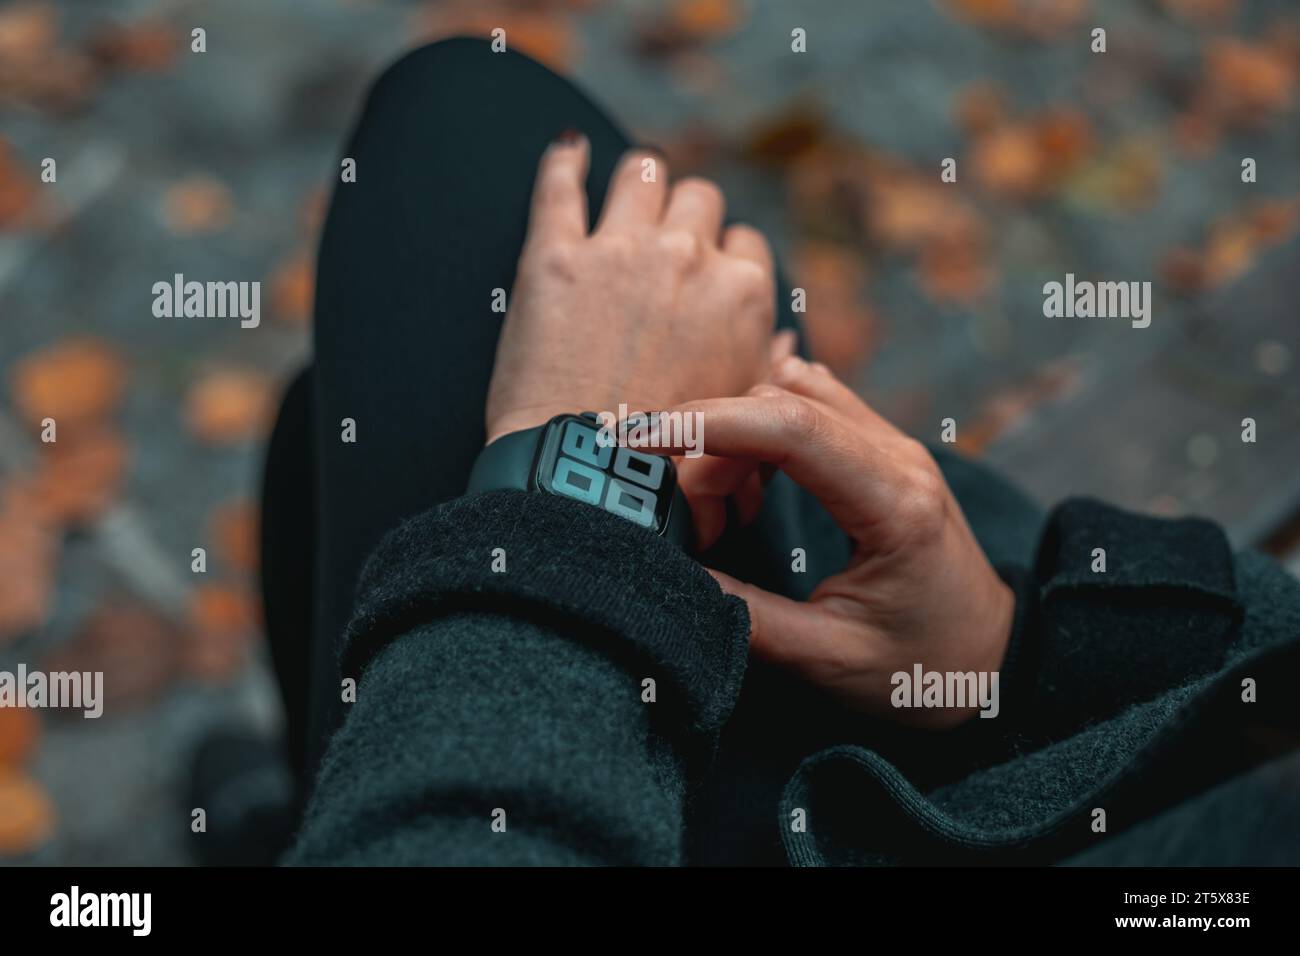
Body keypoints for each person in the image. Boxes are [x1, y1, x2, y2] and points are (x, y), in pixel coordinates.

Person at [259, 37, 1300, 866]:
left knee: (463, 134)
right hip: (1051, 754)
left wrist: (569, 528)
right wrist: (1013, 660)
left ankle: (348, 808)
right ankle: (338, 797)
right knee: (358, 399)